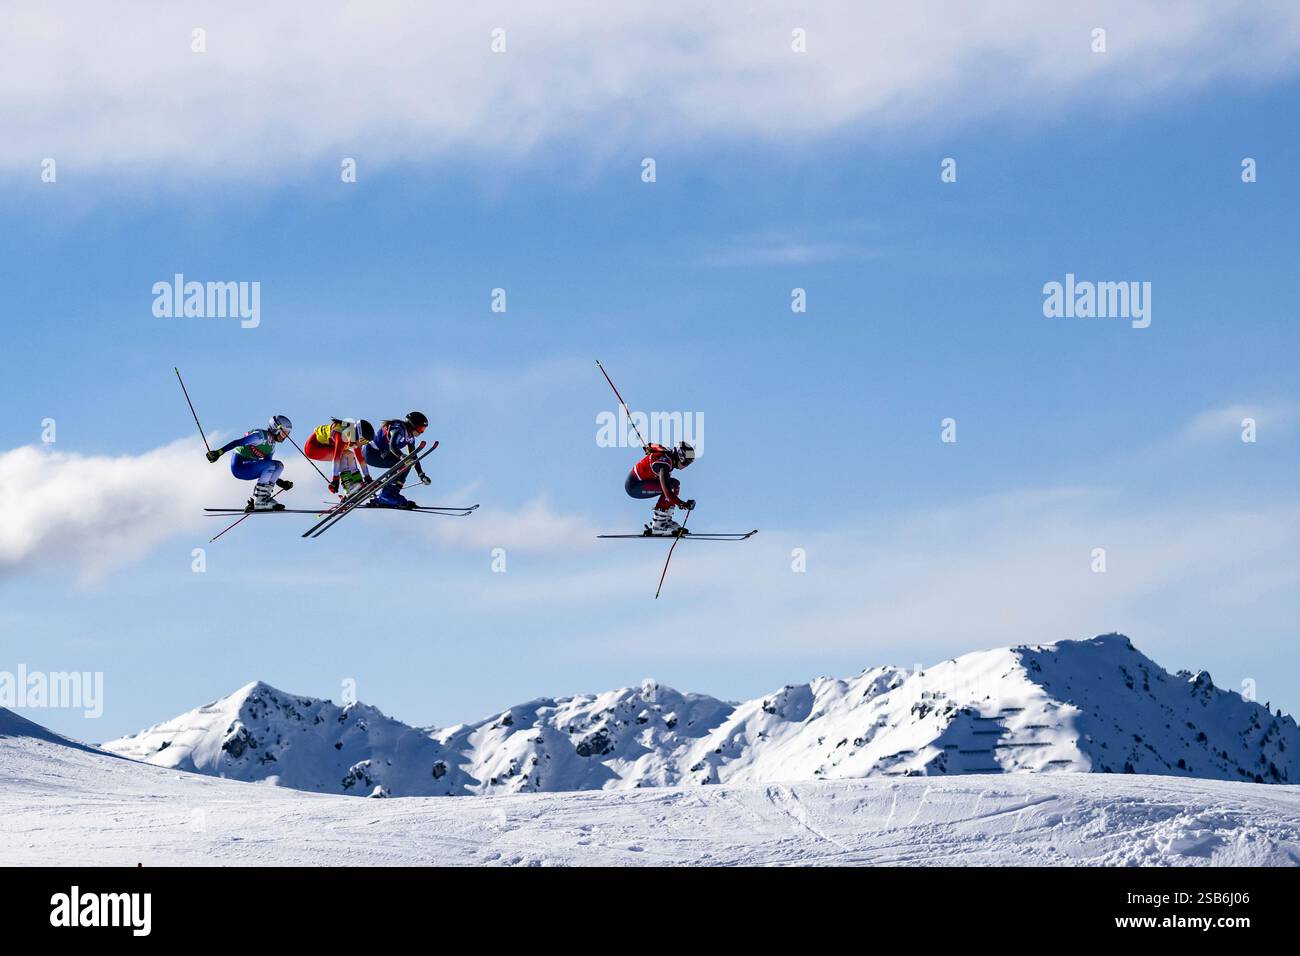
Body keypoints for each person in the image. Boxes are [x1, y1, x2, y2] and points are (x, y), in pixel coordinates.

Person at [205, 415, 295, 511]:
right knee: (273, 464)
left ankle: (265, 498)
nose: (286, 437)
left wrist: (281, 483)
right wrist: (219, 452)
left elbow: (267, 468)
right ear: (276, 429)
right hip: (239, 467)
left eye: (287, 434)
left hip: (250, 468)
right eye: (284, 433)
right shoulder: (260, 436)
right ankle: (260, 500)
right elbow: (237, 442)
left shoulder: (272, 446)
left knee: (279, 466)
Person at [363, 411, 431, 509]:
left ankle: (391, 493)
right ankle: (386, 495)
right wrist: (402, 457)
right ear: (413, 424)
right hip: (371, 453)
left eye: (423, 429)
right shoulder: (398, 428)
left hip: (382, 454)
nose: (421, 432)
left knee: (408, 462)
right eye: (421, 429)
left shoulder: (410, 437)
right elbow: (392, 446)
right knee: (405, 462)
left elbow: (414, 457)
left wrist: (421, 474)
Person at [625, 441, 696, 535]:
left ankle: (665, 520)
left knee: (674, 484)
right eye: (686, 462)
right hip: (634, 486)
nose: (685, 466)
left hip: (643, 482)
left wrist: (648, 448)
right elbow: (666, 490)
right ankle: (659, 524)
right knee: (671, 486)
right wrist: (682, 504)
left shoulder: (667, 453)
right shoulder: (664, 464)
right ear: (680, 457)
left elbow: (651, 445)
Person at [304, 418, 376, 496]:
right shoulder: (342, 435)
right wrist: (335, 479)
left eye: (365, 442)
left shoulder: (354, 437)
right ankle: (348, 487)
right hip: (313, 448)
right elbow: (337, 458)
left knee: (350, 454)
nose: (362, 444)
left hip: (325, 446)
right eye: (362, 441)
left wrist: (367, 477)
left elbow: (360, 459)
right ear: (357, 434)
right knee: (344, 455)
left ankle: (357, 482)